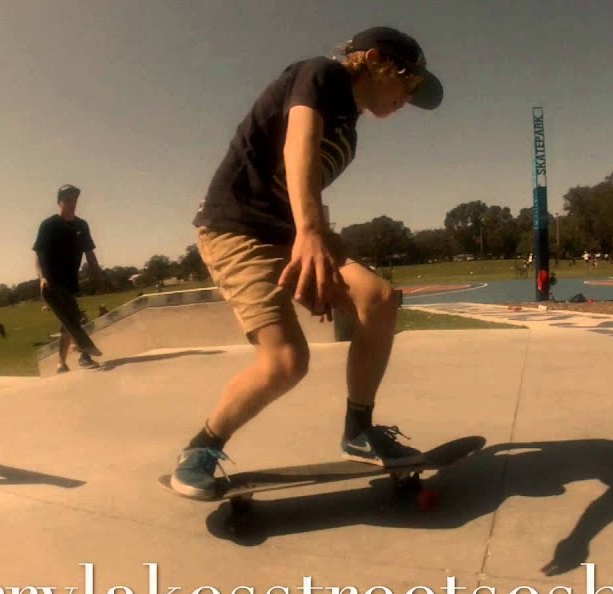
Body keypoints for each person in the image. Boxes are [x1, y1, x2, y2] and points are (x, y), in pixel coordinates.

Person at [167, 26, 444, 500]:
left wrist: (318, 244)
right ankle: (202, 447)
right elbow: (298, 143)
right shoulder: (321, 75)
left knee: (378, 299)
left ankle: (358, 429)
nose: (407, 99)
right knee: (286, 362)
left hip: (289, 234)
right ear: (375, 61)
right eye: (408, 82)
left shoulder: (350, 127)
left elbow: (308, 184)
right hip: (237, 229)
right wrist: (311, 235)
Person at [33, 184, 104, 372]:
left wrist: (98, 275)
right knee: (74, 317)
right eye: (67, 200)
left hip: (71, 282)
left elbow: (90, 253)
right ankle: (83, 355)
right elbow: (38, 255)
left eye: (74, 199)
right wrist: (42, 278)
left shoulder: (82, 225)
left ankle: (61, 363)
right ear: (59, 202)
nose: (72, 203)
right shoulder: (49, 225)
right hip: (51, 282)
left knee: (68, 322)